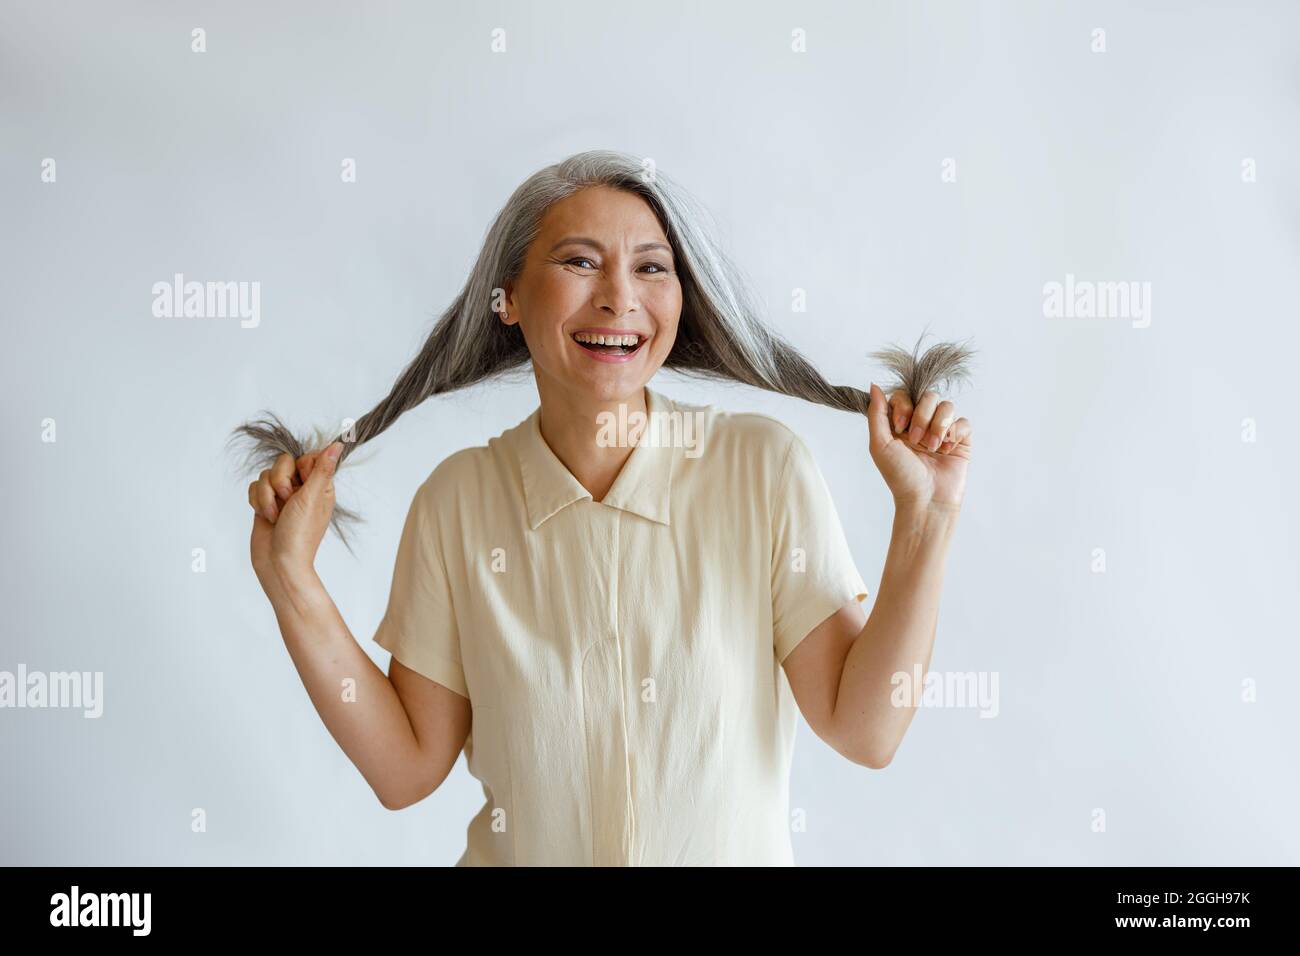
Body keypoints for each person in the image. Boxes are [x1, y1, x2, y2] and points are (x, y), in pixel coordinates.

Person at [233, 150, 974, 865]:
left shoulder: (762, 469)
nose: (621, 297)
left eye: (652, 267)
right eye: (580, 262)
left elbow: (865, 730)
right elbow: (405, 769)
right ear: (510, 299)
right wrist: (291, 581)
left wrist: (928, 518)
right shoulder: (457, 503)